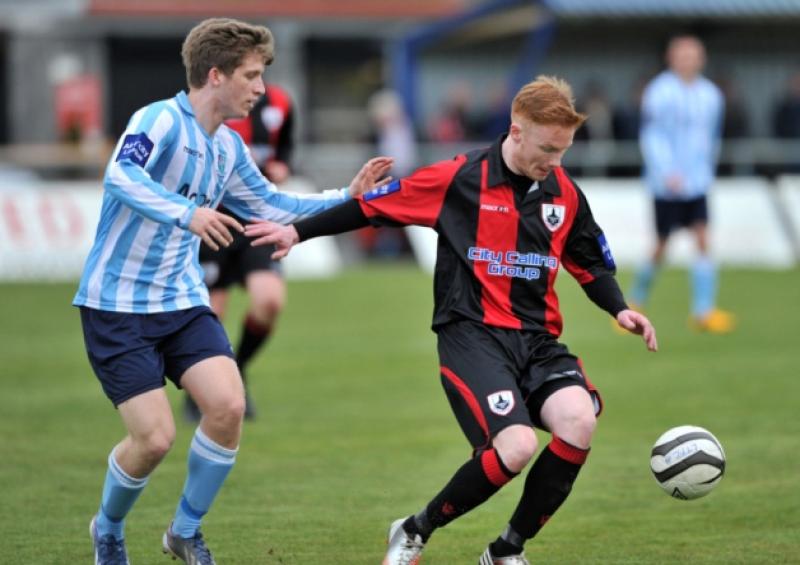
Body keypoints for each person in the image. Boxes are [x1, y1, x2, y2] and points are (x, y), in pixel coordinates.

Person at [245, 75, 658, 565]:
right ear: (516, 131)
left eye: (564, 150)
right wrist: (297, 232)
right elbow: (371, 207)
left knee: (578, 421)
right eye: (548, 148)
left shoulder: (564, 192)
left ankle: (506, 551)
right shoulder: (459, 178)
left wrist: (621, 308)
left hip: (539, 341)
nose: (556, 162)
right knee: (518, 445)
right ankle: (415, 529)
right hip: (472, 337)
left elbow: (589, 261)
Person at [73, 18, 391, 565]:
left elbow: (272, 206)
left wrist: (347, 196)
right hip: (117, 305)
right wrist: (188, 214)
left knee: (227, 406)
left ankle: (184, 531)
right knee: (153, 440)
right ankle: (107, 528)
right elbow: (120, 176)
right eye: (251, 75)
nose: (261, 88)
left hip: (180, 300)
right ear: (215, 76)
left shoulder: (227, 149)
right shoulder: (159, 119)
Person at [184, 82, 297, 422]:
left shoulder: (279, 101)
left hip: (255, 218)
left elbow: (286, 149)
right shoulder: (206, 102)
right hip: (214, 219)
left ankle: (238, 368)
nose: (256, 81)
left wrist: (283, 167)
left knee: (270, 301)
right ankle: (200, 392)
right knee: (211, 312)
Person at [630, 34, 735, 333]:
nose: (689, 60)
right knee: (661, 245)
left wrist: (705, 171)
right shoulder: (659, 91)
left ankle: (703, 312)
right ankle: (635, 302)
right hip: (667, 184)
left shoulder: (711, 94)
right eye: (683, 55)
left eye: (694, 55)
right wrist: (665, 171)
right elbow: (651, 135)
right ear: (671, 58)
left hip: (697, 182)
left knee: (702, 239)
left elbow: (712, 137)